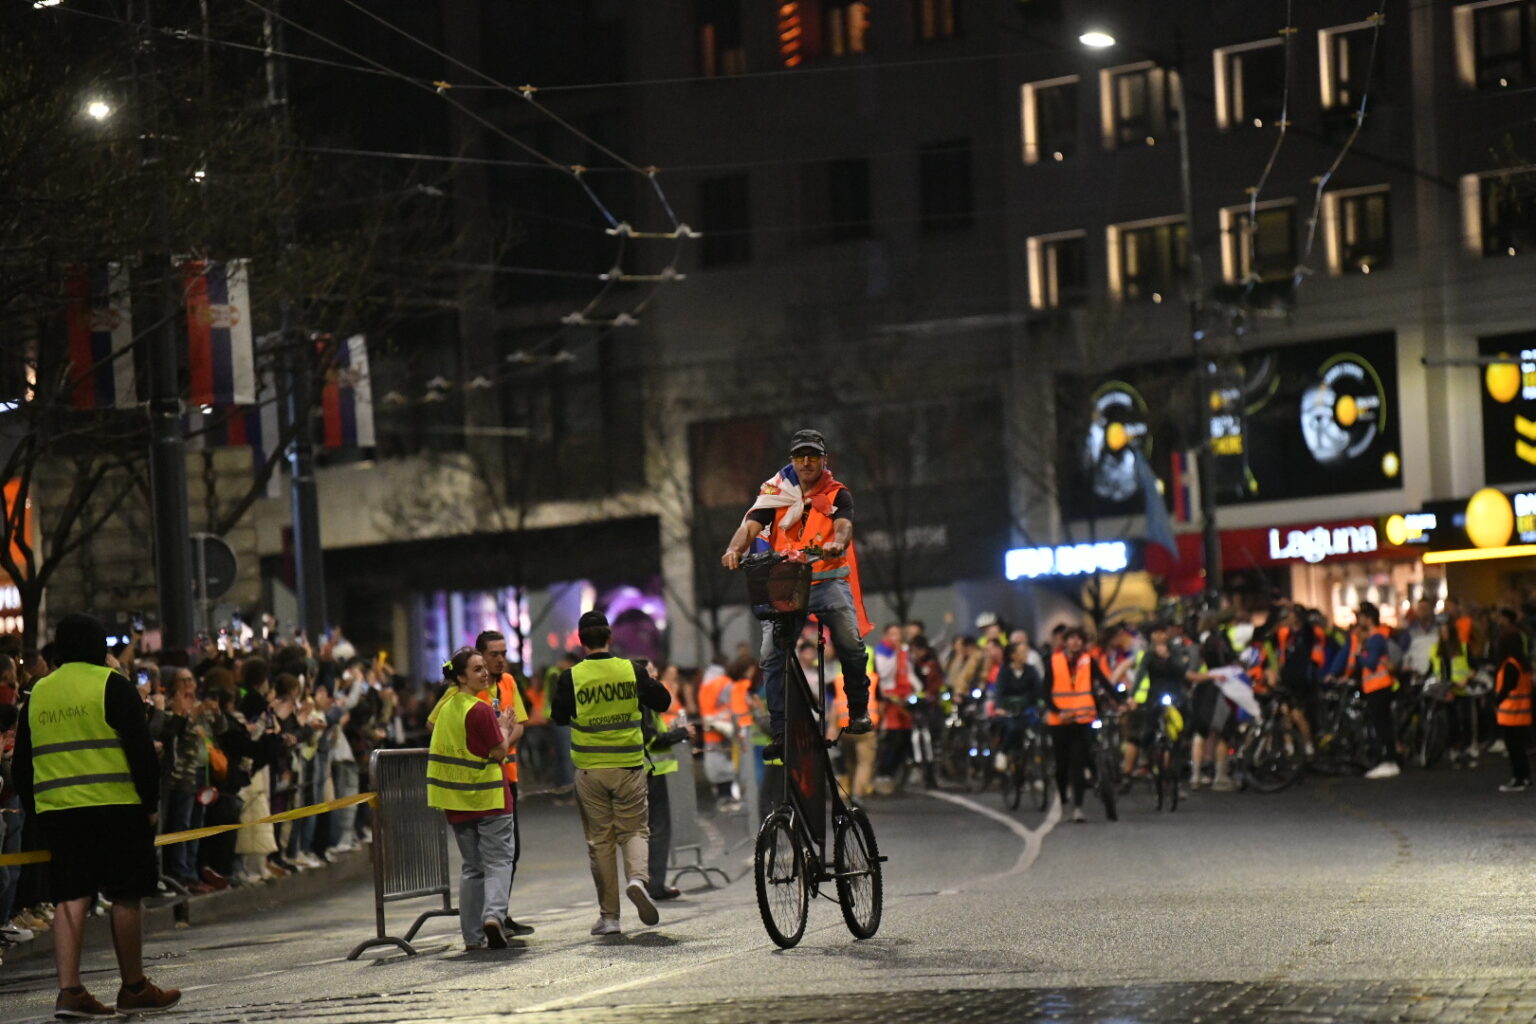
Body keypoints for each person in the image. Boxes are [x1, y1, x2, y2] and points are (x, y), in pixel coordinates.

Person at [13, 613, 179, 1018]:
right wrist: (150, 804)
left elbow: (21, 766)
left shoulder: (37, 693)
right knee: (125, 895)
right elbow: (141, 752)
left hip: (59, 813)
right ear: (97, 645)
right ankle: (134, 987)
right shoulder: (111, 684)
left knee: (69, 898)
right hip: (116, 807)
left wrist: (38, 811)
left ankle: (70, 992)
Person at [721, 428, 872, 759]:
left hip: (827, 579)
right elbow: (751, 525)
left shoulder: (836, 494)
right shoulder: (775, 492)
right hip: (788, 582)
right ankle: (780, 729)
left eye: (813, 457)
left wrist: (838, 543)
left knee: (850, 639)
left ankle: (858, 711)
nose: (806, 462)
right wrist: (735, 549)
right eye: (800, 456)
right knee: (770, 653)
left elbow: (844, 525)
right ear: (792, 460)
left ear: (824, 460)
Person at [550, 610, 671, 936]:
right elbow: (663, 701)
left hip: (590, 769)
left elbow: (559, 716)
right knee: (634, 831)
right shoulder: (630, 670)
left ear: (580, 641)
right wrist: (647, 681)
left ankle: (610, 918)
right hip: (629, 765)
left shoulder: (571, 677)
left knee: (600, 842)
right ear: (609, 638)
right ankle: (638, 880)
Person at [426, 646, 519, 951]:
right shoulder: (479, 709)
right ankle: (493, 916)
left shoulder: (447, 708)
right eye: (477, 669)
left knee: (472, 867)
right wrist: (503, 727)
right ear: (462, 677)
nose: (484, 673)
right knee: (499, 861)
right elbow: (499, 751)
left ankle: (472, 937)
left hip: (455, 800)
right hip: (488, 797)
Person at [472, 630, 534, 937]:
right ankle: (486, 917)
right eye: (493, 654)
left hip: (507, 778)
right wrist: (502, 737)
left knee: (512, 851)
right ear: (479, 656)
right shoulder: (471, 689)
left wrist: (504, 737)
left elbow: (519, 724)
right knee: (484, 856)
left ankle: (500, 914)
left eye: (503, 653)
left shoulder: (508, 683)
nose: (500, 659)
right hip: (481, 780)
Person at [1329, 602, 1400, 780]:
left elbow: (1371, 663)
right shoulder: (1373, 637)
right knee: (1381, 722)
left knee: (1382, 724)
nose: (1358, 620)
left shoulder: (1375, 638)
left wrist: (1361, 651)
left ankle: (1389, 761)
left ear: (1369, 618)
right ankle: (1388, 759)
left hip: (1379, 685)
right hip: (1376, 686)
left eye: (1361, 616)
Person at [1047, 628, 1098, 823]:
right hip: (1060, 721)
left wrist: (1121, 701)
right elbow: (1046, 692)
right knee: (1062, 765)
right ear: (1065, 642)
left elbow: (1101, 682)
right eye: (1072, 639)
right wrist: (1058, 711)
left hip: (1081, 720)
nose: (1076, 642)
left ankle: (1078, 806)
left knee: (1077, 763)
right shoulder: (1053, 661)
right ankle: (1064, 800)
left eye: (1079, 639)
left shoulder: (1088, 661)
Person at [641, 700, 688, 901]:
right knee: (659, 828)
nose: (654, 676)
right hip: (653, 771)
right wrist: (681, 733)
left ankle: (647, 882)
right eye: (651, 671)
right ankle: (655, 884)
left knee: (649, 828)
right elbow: (653, 740)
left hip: (647, 770)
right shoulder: (645, 701)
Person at [1493, 615, 1532, 792]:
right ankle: (1524, 778)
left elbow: (1507, 687)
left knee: (1514, 748)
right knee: (1520, 748)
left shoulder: (1509, 665)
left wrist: (1496, 701)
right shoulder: (1523, 664)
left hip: (1511, 713)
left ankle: (1518, 778)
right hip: (1522, 712)